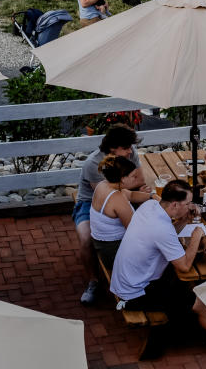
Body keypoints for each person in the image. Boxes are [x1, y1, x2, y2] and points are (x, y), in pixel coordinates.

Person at [111, 180, 206, 356]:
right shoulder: (160, 228)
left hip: (129, 279)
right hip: (136, 293)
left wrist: (185, 219)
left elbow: (169, 233)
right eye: (187, 204)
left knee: (191, 286)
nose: (191, 206)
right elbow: (185, 266)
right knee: (199, 301)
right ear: (174, 204)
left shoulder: (150, 206)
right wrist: (196, 236)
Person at [73, 125, 146, 303]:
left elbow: (140, 180)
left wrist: (139, 191)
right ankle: (94, 282)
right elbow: (106, 192)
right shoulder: (93, 163)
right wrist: (134, 189)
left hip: (119, 195)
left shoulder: (129, 152)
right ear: (113, 148)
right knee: (85, 238)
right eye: (126, 147)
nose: (131, 151)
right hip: (91, 202)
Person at [87, 155, 147, 271]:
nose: (136, 179)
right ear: (123, 179)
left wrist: (151, 196)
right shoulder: (117, 198)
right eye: (133, 176)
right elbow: (135, 231)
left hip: (101, 245)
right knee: (158, 253)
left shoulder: (104, 184)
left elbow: (131, 195)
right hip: (114, 252)